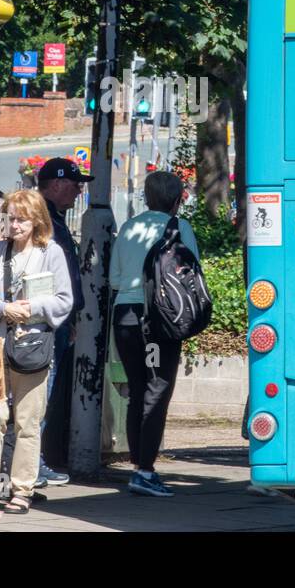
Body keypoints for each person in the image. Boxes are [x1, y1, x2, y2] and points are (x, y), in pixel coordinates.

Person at [0, 188, 73, 514]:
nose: (13, 226)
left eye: (21, 220)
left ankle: (22, 488)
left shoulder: (51, 253)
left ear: (36, 221)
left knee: (29, 422)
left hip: (33, 345)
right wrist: (4, 308)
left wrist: (30, 308)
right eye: (10, 219)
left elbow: (63, 301)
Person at [109, 170, 200, 497]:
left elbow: (115, 279)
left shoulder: (129, 227)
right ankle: (145, 472)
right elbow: (192, 273)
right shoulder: (180, 228)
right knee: (157, 390)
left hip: (125, 315)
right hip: (159, 319)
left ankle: (138, 465)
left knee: (137, 389)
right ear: (177, 199)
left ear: (146, 197)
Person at [34, 157, 92, 487]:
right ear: (56, 184)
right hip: (45, 322)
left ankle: (33, 462)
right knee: (39, 395)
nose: (79, 190)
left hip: (55, 320)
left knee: (44, 395)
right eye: (74, 183)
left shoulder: (51, 216)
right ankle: (31, 463)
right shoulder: (42, 219)